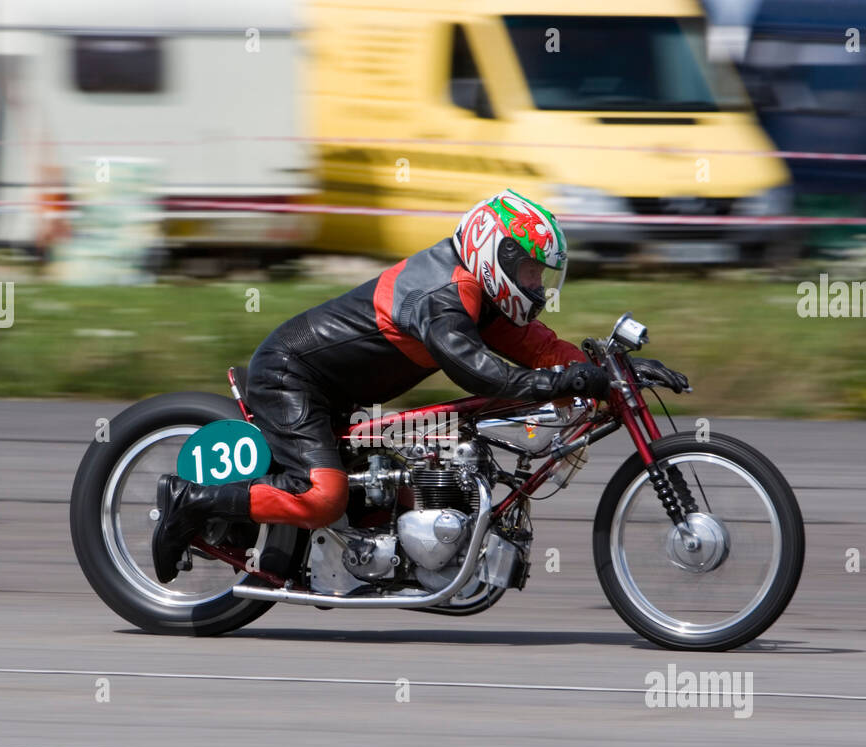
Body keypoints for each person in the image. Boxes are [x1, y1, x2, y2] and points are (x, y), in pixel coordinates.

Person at [151, 188, 688, 583]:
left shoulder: (484, 296)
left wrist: (617, 374)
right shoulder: (443, 295)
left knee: (399, 478)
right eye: (528, 272)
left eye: (538, 278)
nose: (535, 287)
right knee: (323, 496)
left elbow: (546, 350)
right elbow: (476, 370)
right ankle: (190, 500)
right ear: (493, 253)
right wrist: (560, 379)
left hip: (341, 393)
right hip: (293, 375)